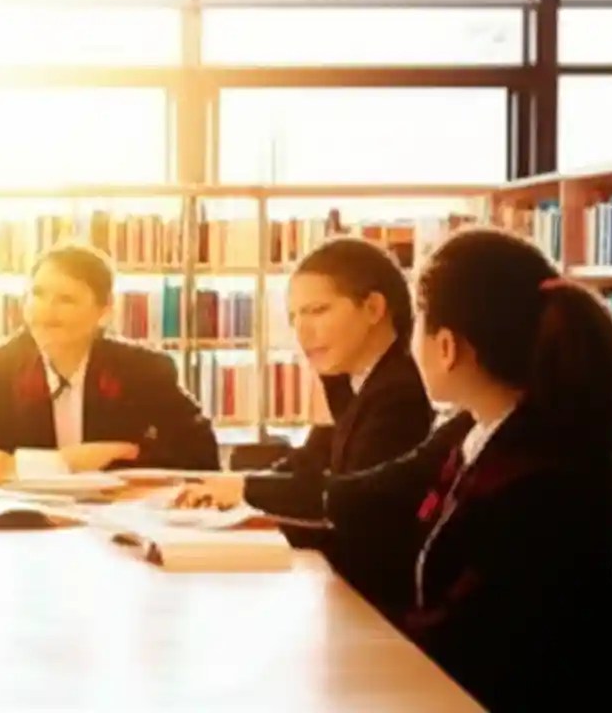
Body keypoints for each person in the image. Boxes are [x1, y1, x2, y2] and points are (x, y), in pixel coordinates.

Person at [324, 229, 612, 710]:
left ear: (447, 346)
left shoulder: (540, 480)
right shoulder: (485, 430)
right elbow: (378, 501)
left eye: (418, 323)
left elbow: (466, 641)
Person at [182, 237, 434, 611]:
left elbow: (353, 507)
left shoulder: (401, 393)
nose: (301, 331)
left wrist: (245, 493)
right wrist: (232, 493)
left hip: (378, 605)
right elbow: (310, 462)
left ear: (373, 308)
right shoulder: (352, 380)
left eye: (317, 311)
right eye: (294, 317)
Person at [0, 242, 220, 479]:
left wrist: (15, 466)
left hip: (116, 521)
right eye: (38, 294)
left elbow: (201, 457)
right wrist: (63, 463)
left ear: (104, 311)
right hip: (16, 525)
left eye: (66, 299)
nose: (46, 309)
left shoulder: (144, 371)